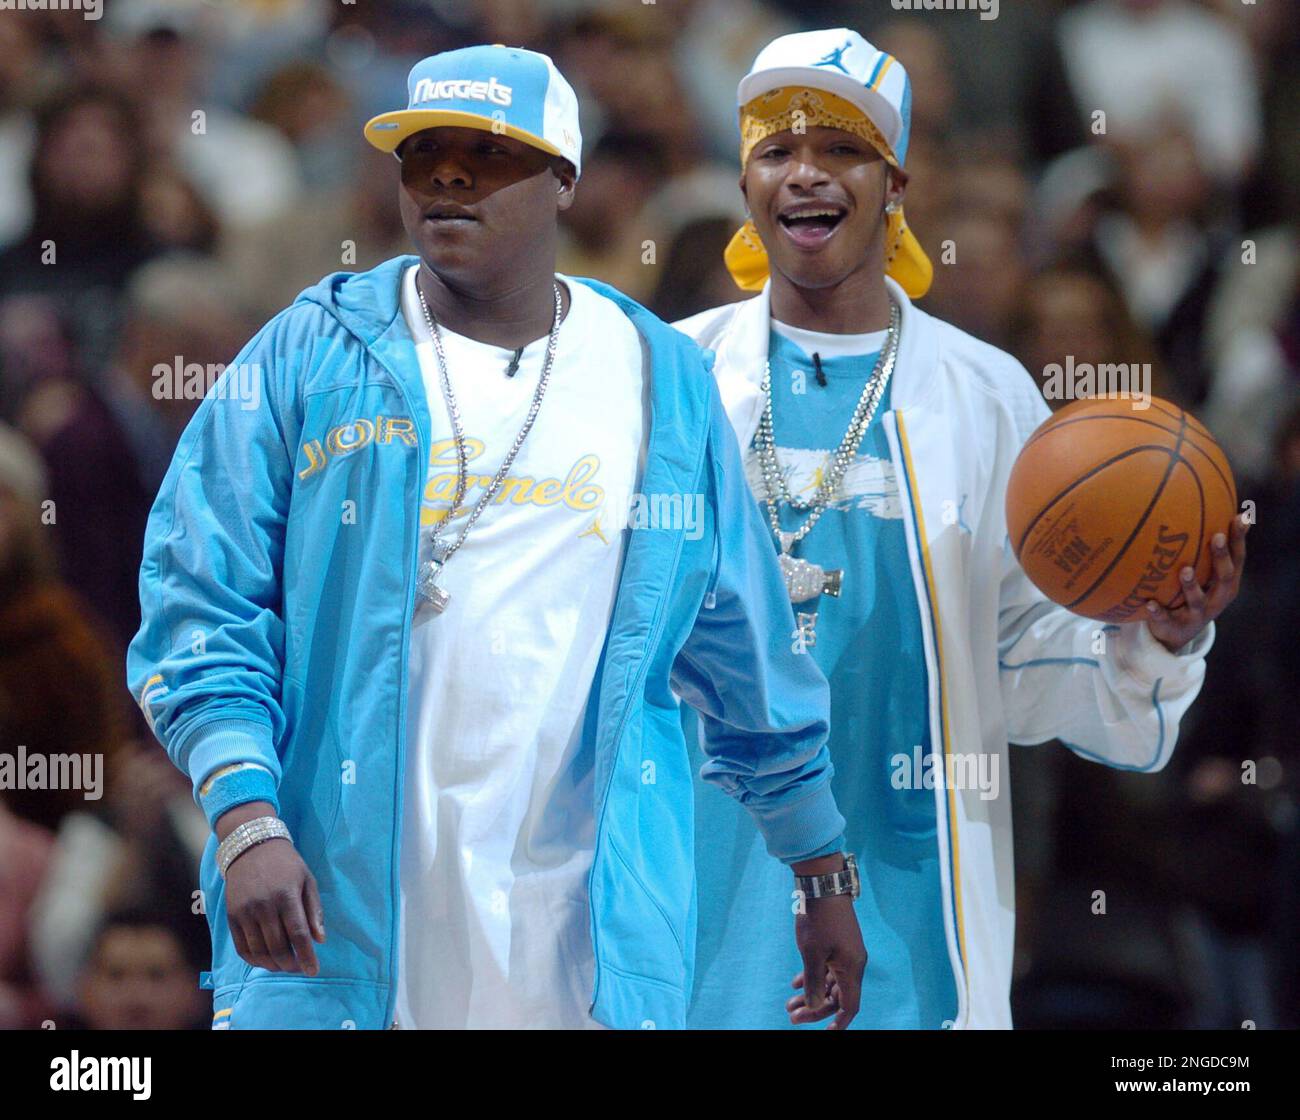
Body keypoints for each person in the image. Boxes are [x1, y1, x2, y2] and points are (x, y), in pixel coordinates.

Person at [128, 44, 866, 1031]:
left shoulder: (658, 378)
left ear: (563, 177)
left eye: (485, 151)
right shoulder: (311, 351)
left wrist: (819, 869)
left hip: (585, 956)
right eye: (422, 151)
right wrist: (243, 813)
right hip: (334, 936)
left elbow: (743, 644)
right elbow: (197, 599)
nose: (445, 173)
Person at [675, 28, 1248, 1030]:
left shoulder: (986, 395)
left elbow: (1029, 672)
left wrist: (1154, 633)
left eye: (841, 149)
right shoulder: (669, 381)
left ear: (895, 181)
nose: (805, 173)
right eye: (776, 150)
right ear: (746, 180)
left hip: (914, 947)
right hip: (697, 932)